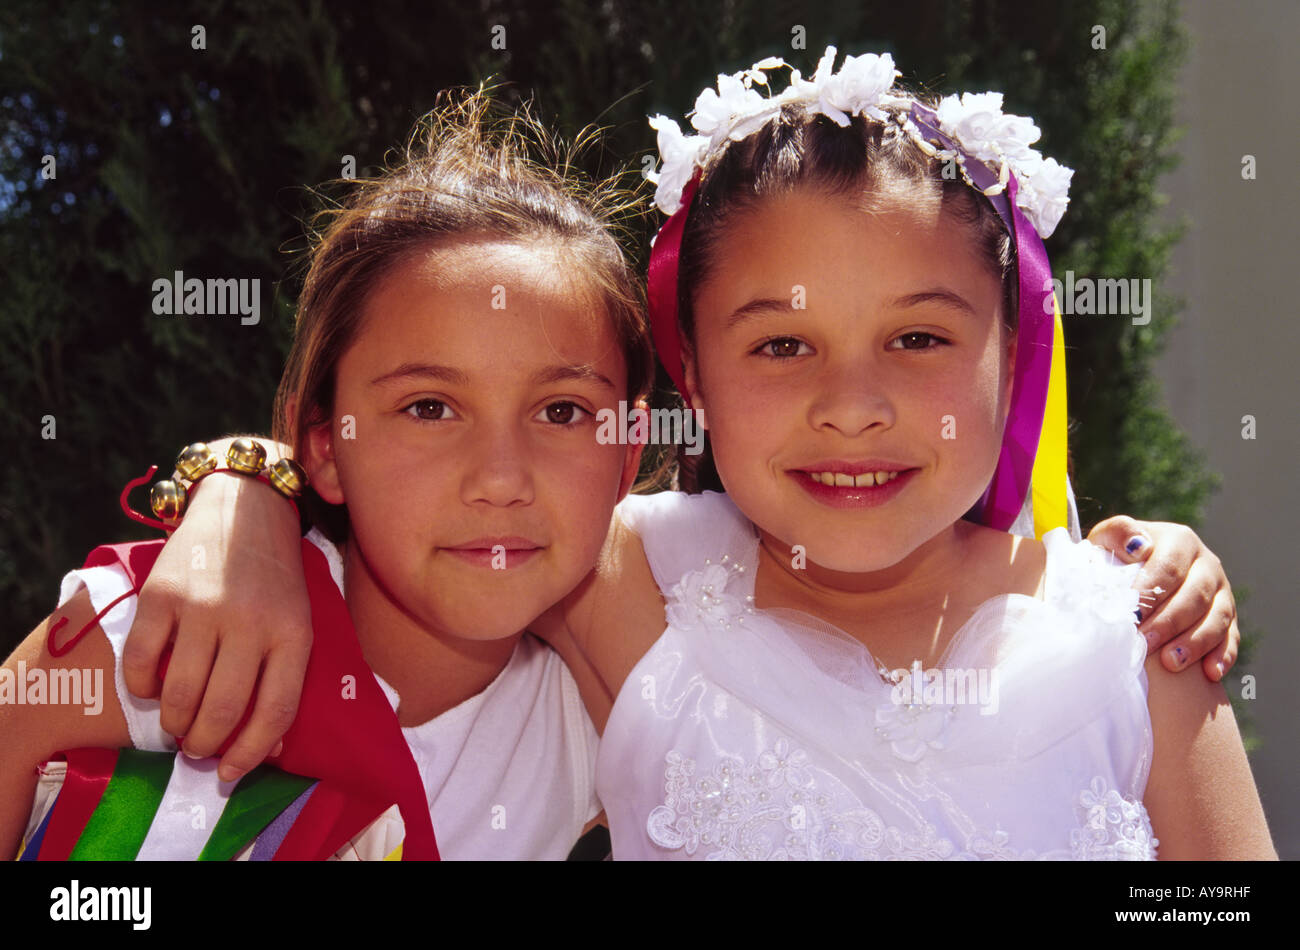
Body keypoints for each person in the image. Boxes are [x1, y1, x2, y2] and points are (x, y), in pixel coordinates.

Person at [115, 53, 1253, 859]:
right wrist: (240, 495)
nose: (850, 406)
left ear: (1017, 356)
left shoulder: (1135, 632)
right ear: (693, 378)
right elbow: (415, 469)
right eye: (780, 344)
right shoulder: (629, 578)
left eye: (917, 337)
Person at [0, 88, 648, 860]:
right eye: (430, 408)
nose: (501, 480)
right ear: (325, 447)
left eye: (563, 412)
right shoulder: (170, 633)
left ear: (628, 453)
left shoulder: (604, 703)